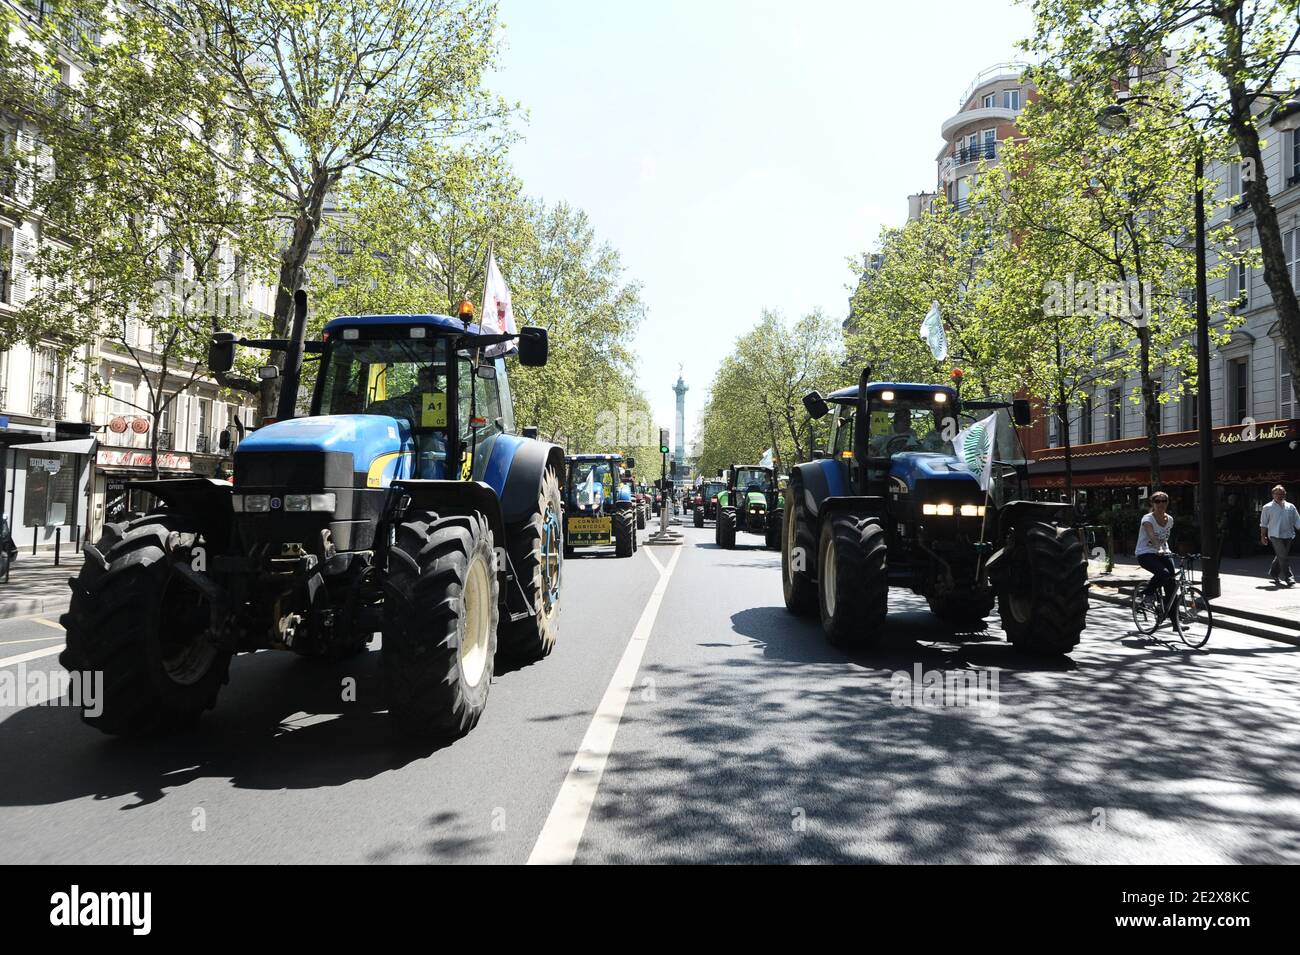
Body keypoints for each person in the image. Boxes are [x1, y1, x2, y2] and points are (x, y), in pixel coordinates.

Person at [1136, 491, 1176, 612]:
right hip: (1145, 553)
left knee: (1171, 584)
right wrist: (1158, 548)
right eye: (1157, 501)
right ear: (1152, 503)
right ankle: (1148, 593)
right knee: (1164, 574)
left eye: (1164, 501)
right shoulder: (1147, 519)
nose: (1161, 504)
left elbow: (1165, 538)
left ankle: (1175, 621)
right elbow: (1152, 535)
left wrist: (1164, 550)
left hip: (1164, 552)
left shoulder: (1170, 519)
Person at [1259, 485, 1300, 587]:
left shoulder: (1291, 507)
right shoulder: (1267, 507)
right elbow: (1263, 523)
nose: (1279, 495)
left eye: (1282, 493)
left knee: (1281, 556)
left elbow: (1297, 521)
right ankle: (1289, 578)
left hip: (1288, 535)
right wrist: (1262, 536)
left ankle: (1273, 572)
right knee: (1283, 556)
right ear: (1273, 495)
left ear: (1285, 494)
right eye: (1277, 494)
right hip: (1275, 535)